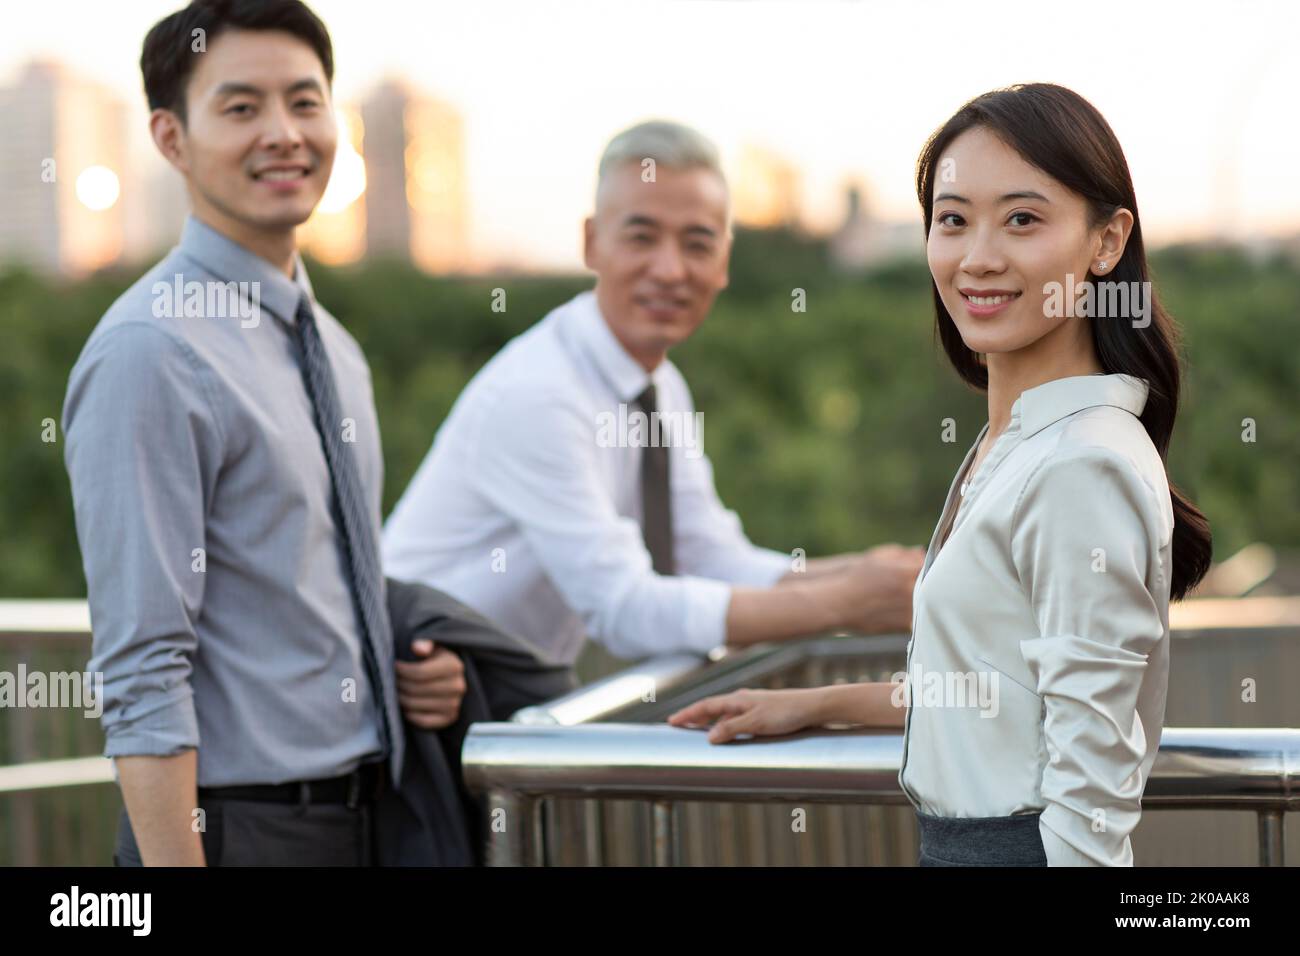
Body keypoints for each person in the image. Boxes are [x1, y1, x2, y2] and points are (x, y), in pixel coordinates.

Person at [668, 84, 1213, 867]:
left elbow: (1091, 803)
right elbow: (995, 696)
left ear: (1105, 242)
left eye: (1022, 219)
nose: (978, 256)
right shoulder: (1019, 444)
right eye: (953, 219)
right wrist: (817, 704)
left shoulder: (1081, 463)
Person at [62, 0, 465, 866]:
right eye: (241, 108)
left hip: (370, 818)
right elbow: (141, 666)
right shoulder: (153, 353)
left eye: (305, 101)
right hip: (235, 830)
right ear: (172, 139)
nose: (284, 133)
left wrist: (403, 679)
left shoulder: (336, 352)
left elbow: (311, 580)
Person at [381, 119, 925, 671]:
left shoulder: (659, 385)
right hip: (410, 690)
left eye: (697, 243)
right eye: (642, 237)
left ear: (724, 262)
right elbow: (623, 608)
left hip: (495, 699)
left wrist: (867, 575)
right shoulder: (539, 393)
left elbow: (706, 555)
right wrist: (845, 602)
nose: (669, 270)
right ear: (592, 243)